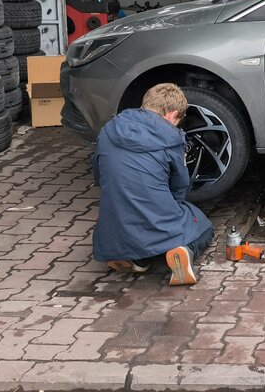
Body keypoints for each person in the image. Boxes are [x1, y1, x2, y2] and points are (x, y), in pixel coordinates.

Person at [91, 83, 213, 286]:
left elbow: (98, 173)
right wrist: (175, 209)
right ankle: (184, 251)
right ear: (171, 114)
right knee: (201, 224)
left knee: (136, 223)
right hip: (154, 218)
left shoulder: (108, 129)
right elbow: (179, 186)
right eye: (177, 120)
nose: (176, 125)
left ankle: (138, 259)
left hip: (112, 225)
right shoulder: (171, 138)